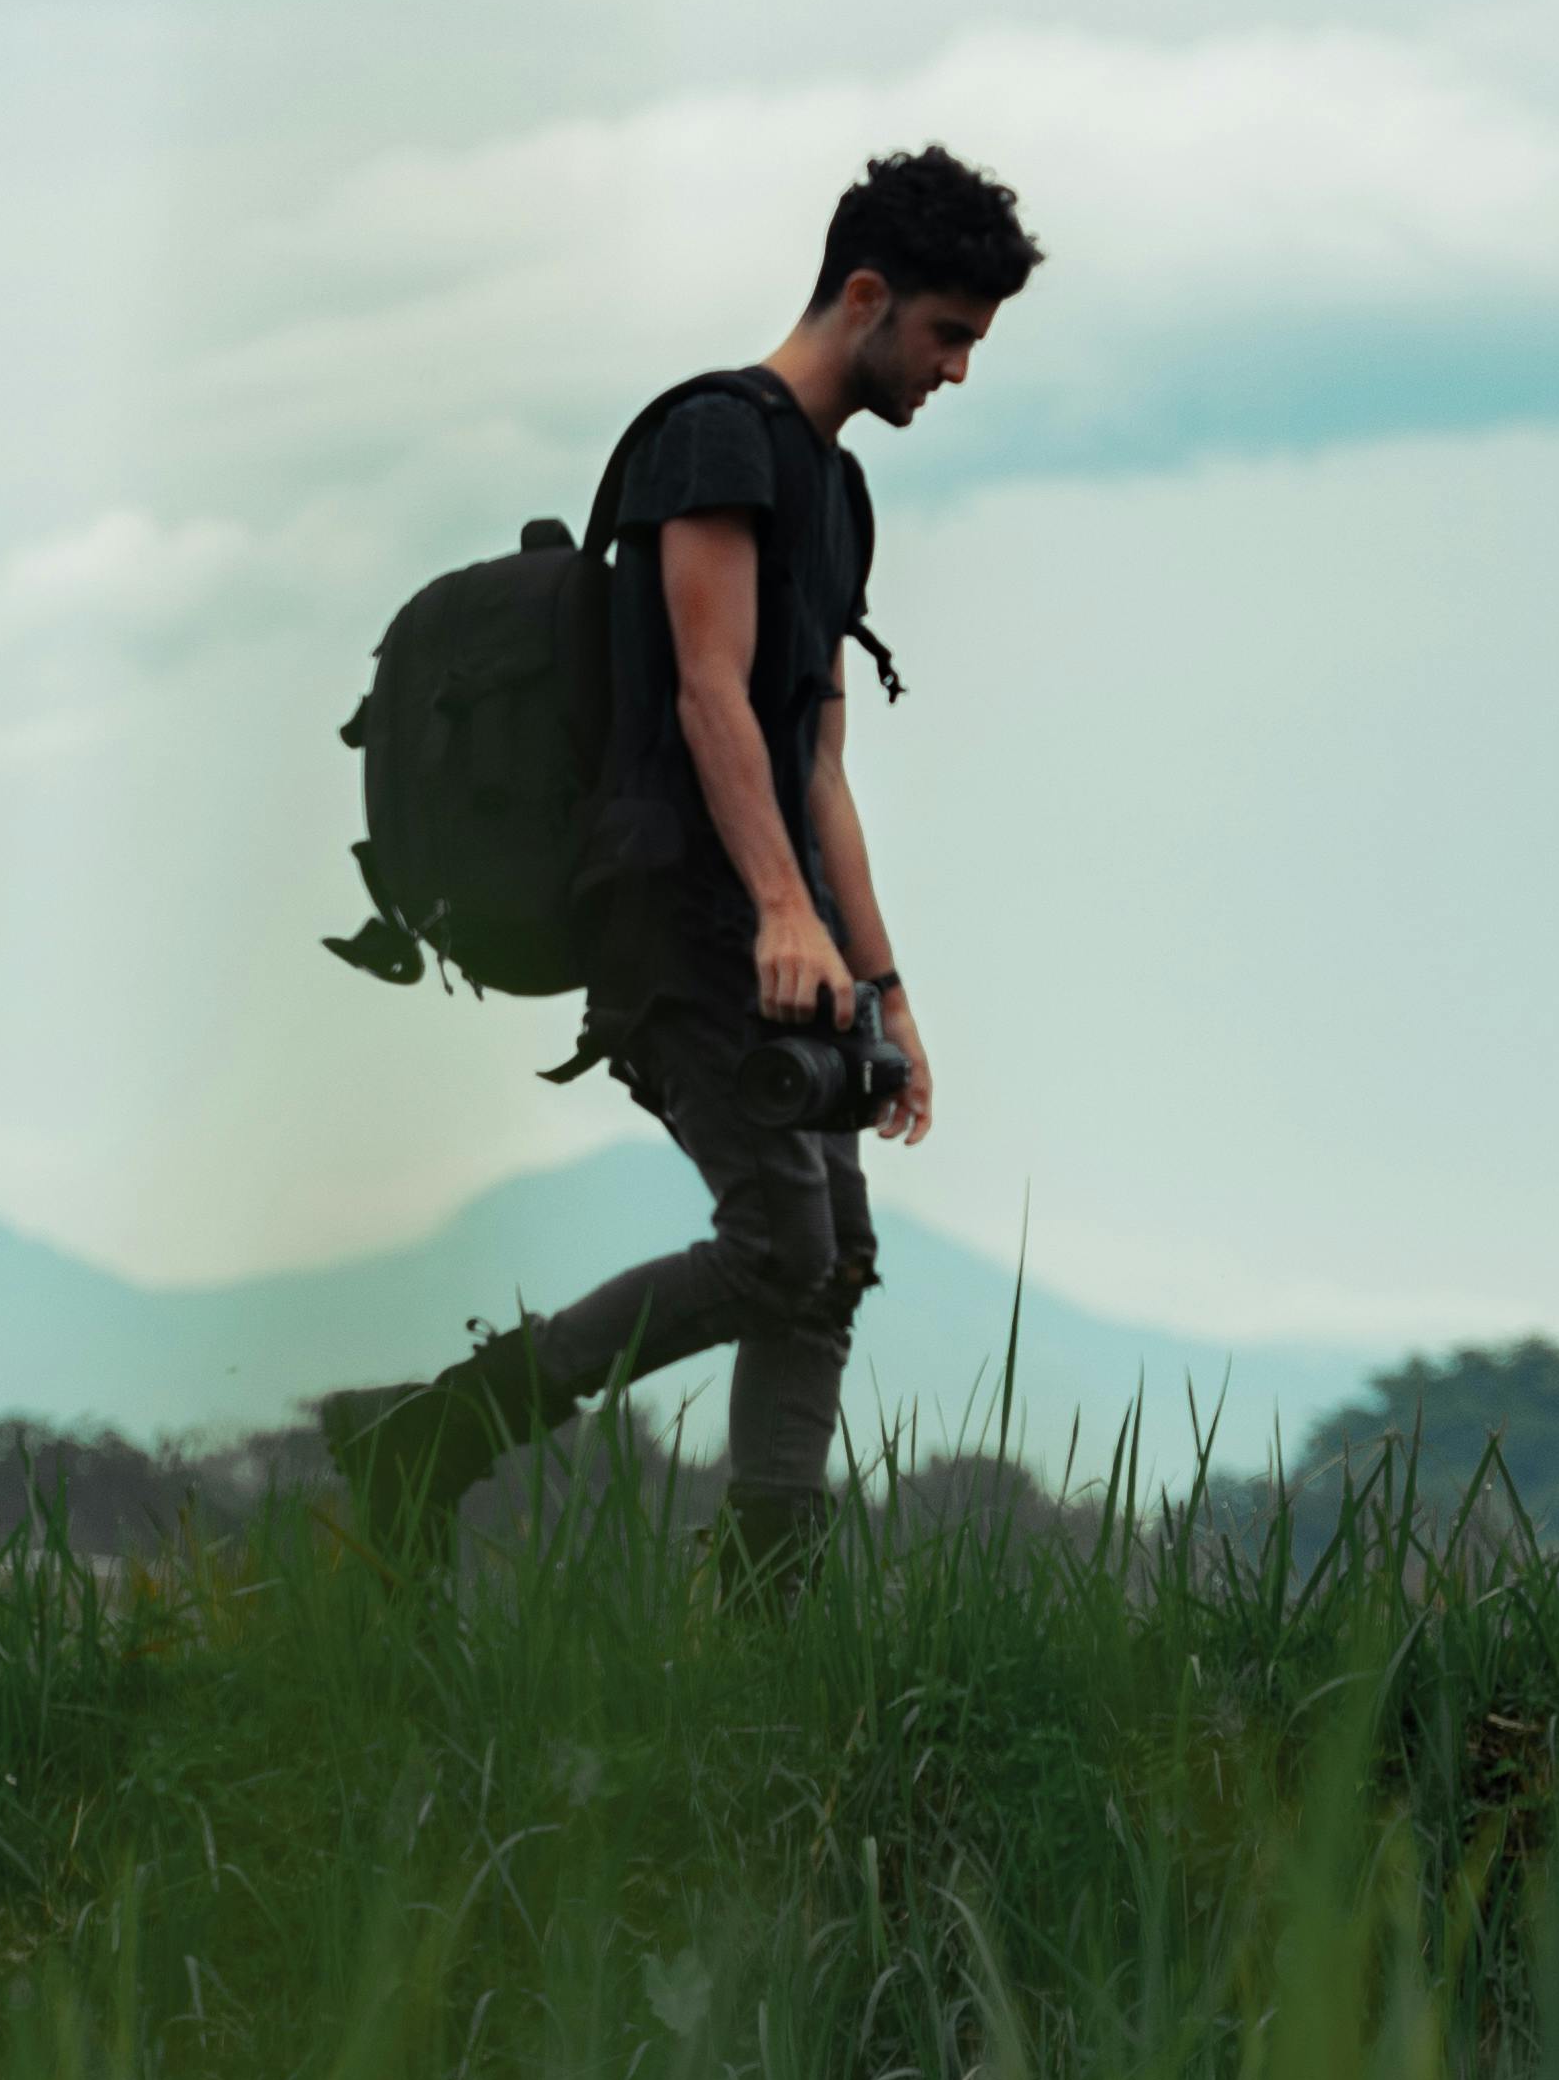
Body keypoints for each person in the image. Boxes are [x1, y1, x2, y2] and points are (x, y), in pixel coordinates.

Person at [321, 141, 1042, 1591]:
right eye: (949, 335)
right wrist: (782, 912)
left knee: (826, 1258)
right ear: (864, 294)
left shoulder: (839, 497)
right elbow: (711, 693)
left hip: (790, 934)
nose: (959, 372)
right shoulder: (713, 442)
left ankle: (769, 1593)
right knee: (779, 1243)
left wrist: (883, 990)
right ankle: (435, 1439)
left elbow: (818, 759)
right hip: (677, 915)